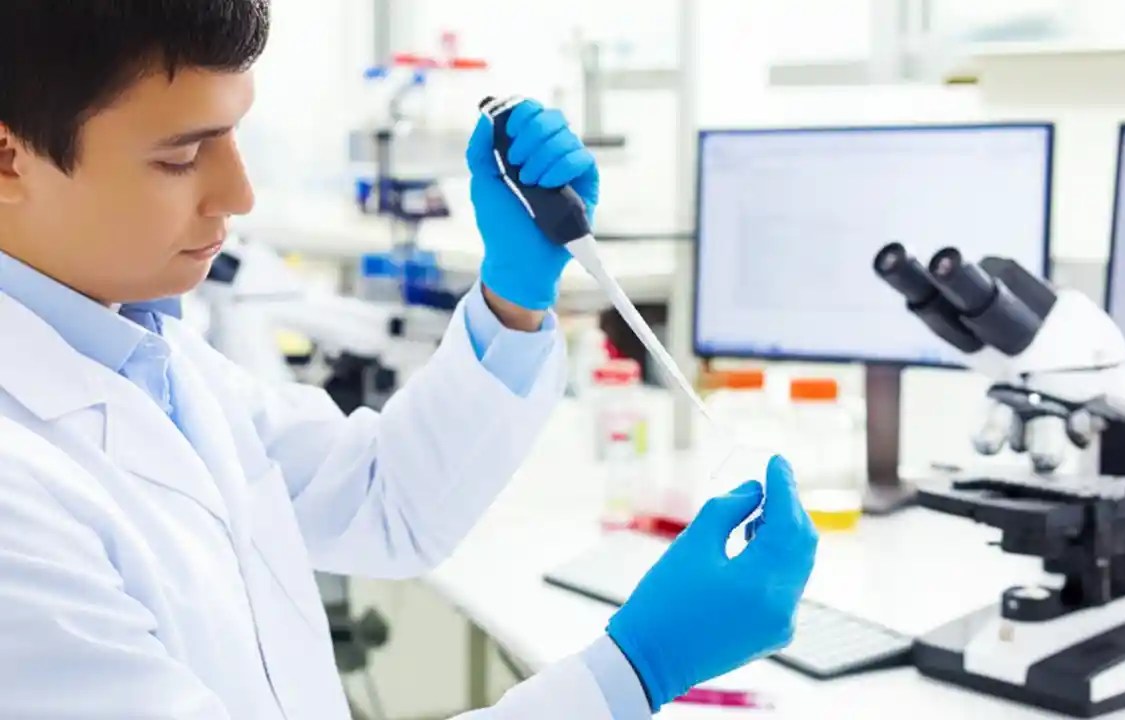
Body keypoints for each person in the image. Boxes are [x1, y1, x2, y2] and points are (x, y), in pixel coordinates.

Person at [0, 2, 818, 719]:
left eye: (233, 134)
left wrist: (513, 291)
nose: (240, 193)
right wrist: (632, 673)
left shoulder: (145, 347)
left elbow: (382, 501)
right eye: (181, 156)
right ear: (9, 160)